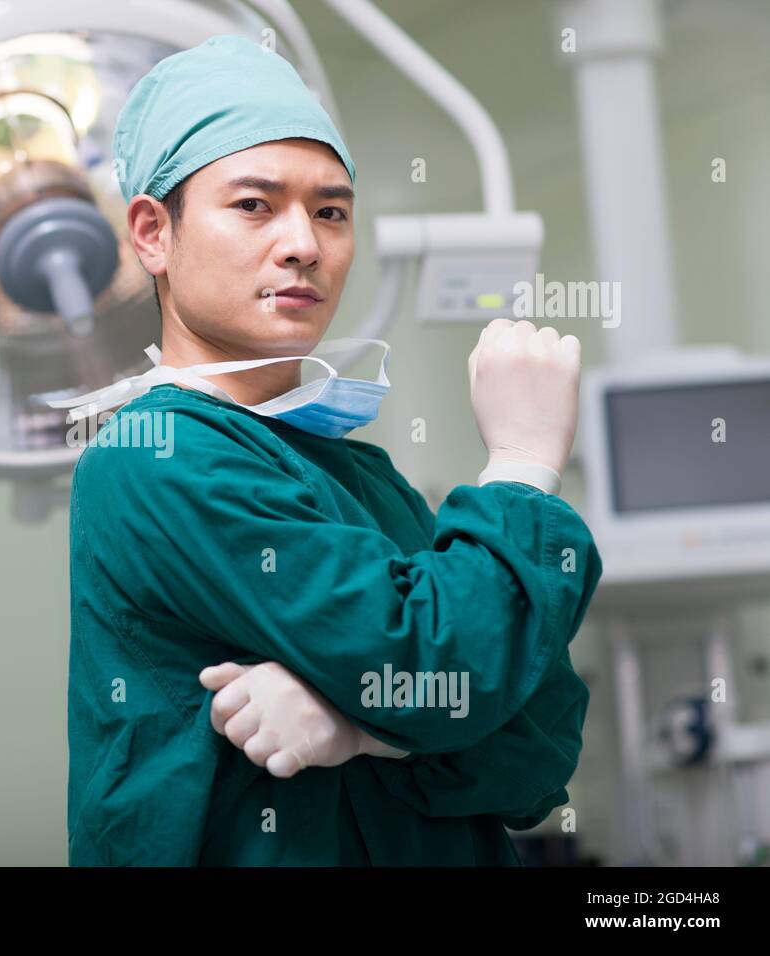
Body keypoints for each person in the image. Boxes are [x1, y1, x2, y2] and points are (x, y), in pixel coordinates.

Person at [54, 34, 602, 865]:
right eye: (254, 205)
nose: (303, 242)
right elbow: (438, 664)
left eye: (331, 211)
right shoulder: (154, 455)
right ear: (152, 233)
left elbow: (540, 749)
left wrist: (364, 731)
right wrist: (523, 463)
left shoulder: (359, 471)